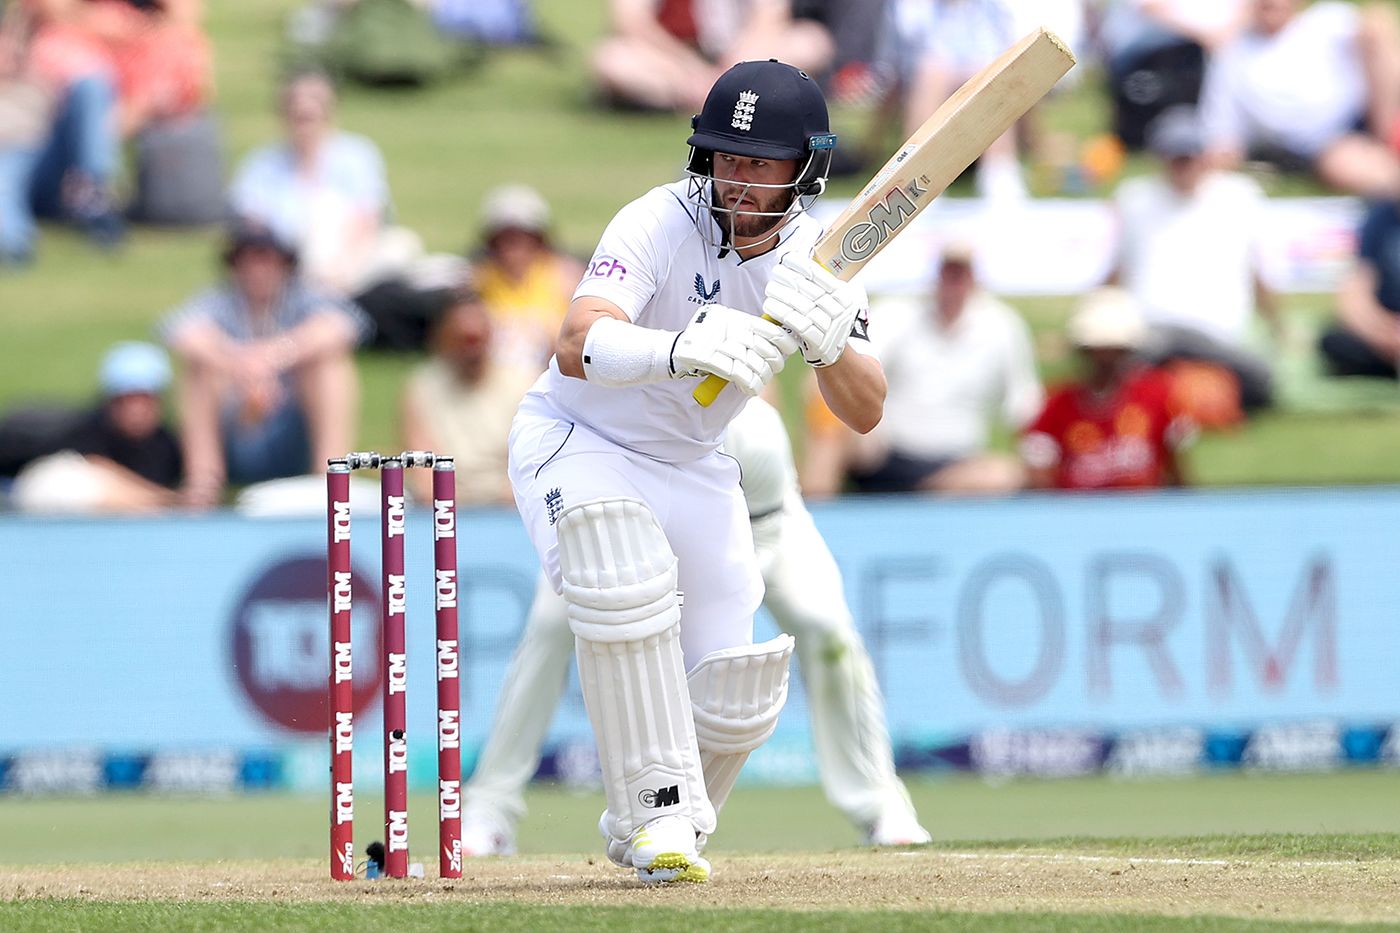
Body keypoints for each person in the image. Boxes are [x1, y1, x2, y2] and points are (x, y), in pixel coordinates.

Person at [506, 59, 884, 884]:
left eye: (758, 163)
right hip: (577, 436)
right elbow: (573, 344)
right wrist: (674, 348)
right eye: (722, 157)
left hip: (694, 462)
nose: (736, 180)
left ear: (806, 168)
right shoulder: (657, 218)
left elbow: (866, 409)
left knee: (736, 692)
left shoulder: (822, 259)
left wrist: (827, 346)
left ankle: (647, 823)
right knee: (621, 570)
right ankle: (659, 821)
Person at [461, 397, 928, 857]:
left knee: (826, 629)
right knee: (549, 626)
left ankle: (881, 804)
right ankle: (489, 809)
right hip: (624, 508)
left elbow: (745, 556)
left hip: (759, 524)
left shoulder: (754, 436)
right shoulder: (615, 413)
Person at [158, 219, 370, 509]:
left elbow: (345, 325)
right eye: (248, 260)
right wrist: (240, 364)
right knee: (200, 369)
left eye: (266, 259)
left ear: (284, 264)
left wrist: (273, 357)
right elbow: (179, 331)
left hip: (293, 431)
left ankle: (330, 482)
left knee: (329, 366)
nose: (257, 269)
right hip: (237, 429)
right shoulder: (220, 300)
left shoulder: (304, 297)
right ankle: (203, 487)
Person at [811, 241, 1041, 497]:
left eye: (960, 274)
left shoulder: (1002, 327)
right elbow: (855, 367)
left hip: (957, 463)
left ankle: (924, 490)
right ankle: (816, 504)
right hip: (884, 452)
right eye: (948, 273)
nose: (953, 283)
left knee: (1004, 474)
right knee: (826, 406)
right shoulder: (899, 315)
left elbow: (1023, 403)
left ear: (973, 279)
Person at [1111, 106, 1278, 413]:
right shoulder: (1135, 199)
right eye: (1176, 158)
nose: (1184, 166)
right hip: (1152, 329)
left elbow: (1258, 273)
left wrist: (1277, 325)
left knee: (1262, 381)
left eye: (1189, 156)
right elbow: (1116, 273)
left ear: (1206, 156)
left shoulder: (1239, 196)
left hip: (1216, 334)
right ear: (1160, 158)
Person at [1198, 0, 1400, 198]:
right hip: (1321, 146)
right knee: (1342, 165)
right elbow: (1223, 137)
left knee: (1377, 25)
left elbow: (1377, 27)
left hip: (1374, 115)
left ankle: (1391, 141)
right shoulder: (1234, 53)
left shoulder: (1327, 19)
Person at [1021, 287, 1194, 490]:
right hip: (1077, 513)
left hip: (1143, 511)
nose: (1106, 361)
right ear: (1084, 352)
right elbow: (1040, 480)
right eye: (1098, 351)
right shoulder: (1054, 406)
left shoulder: (1159, 397)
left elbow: (1178, 472)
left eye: (1114, 351)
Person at [4, 341, 183, 513]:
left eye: (144, 399)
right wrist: (165, 499)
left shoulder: (166, 443)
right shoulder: (87, 429)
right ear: (111, 401)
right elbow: (97, 469)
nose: (136, 410)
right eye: (127, 400)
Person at [873, 0, 1025, 200]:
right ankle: (917, 176)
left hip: (978, 76)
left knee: (988, 76)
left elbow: (1002, 51)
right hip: (923, 79)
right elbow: (897, 60)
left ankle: (999, 173)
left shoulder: (991, 7)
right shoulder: (910, 7)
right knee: (933, 72)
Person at [399, 287, 538, 505]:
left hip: (508, 508)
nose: (471, 350)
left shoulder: (524, 386)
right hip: (443, 508)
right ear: (443, 337)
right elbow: (424, 473)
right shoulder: (422, 387)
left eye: (477, 339)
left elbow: (531, 468)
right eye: (463, 339)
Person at [590, 0, 834, 113]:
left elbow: (770, 17)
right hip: (673, 60)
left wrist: (730, 70)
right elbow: (631, 22)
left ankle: (724, 94)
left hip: (740, 56)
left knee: (810, 42)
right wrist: (688, 66)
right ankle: (723, 99)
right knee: (611, 59)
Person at [470, 184, 585, 372]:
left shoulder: (565, 277)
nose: (513, 248)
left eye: (522, 238)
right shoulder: (478, 281)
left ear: (539, 239)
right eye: (505, 238)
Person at [1318, 199, 1400, 379]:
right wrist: (1379, 330)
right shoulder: (1380, 218)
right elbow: (1357, 288)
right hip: (1387, 323)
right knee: (1335, 341)